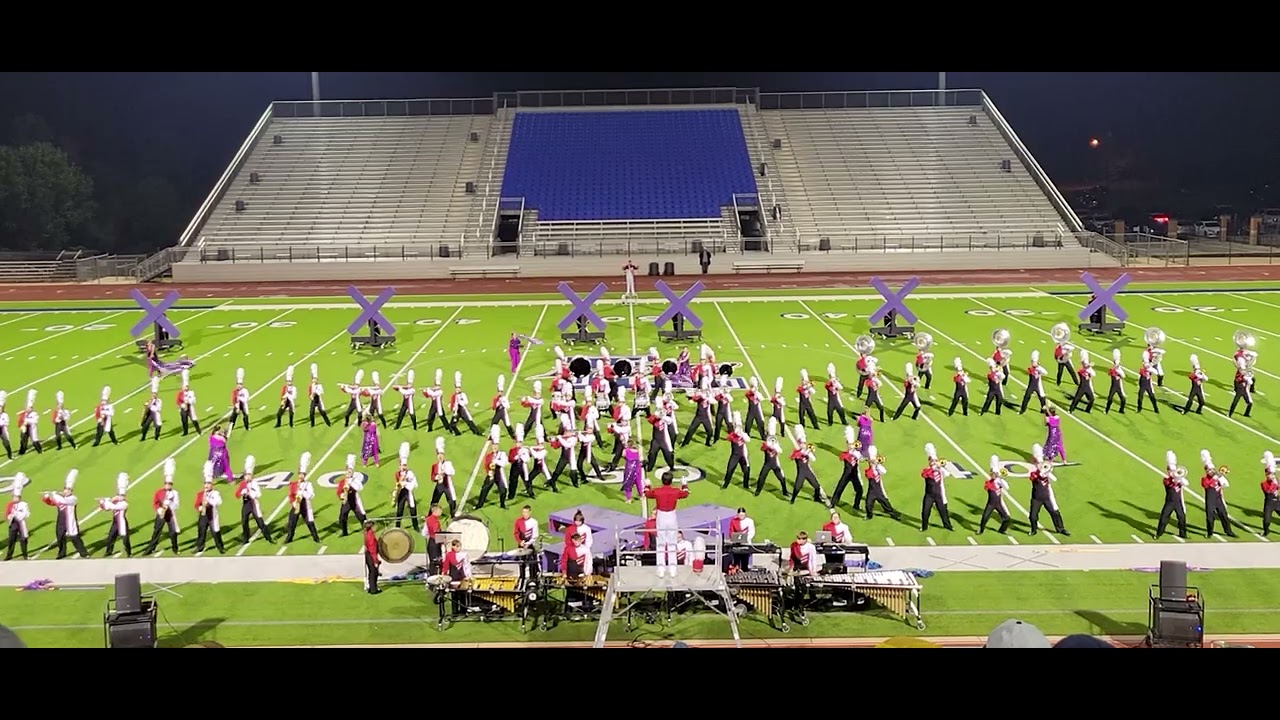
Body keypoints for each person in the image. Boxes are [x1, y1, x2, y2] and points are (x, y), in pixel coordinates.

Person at [644, 470, 690, 578]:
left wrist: (648, 485)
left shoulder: (658, 491)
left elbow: (647, 493)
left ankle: (661, 569)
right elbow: (685, 493)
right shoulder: (675, 491)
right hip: (671, 516)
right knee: (672, 543)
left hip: (661, 517)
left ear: (662, 481)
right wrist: (684, 484)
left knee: (660, 543)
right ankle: (673, 569)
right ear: (671, 481)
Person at [146, 462, 181, 555]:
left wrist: (169, 504)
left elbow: (177, 505)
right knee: (157, 531)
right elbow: (155, 502)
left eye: (169, 484)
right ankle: (151, 548)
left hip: (170, 515)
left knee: (173, 533)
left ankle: (175, 548)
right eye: (166, 483)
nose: (168, 485)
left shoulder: (175, 493)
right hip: (161, 514)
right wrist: (159, 510)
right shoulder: (159, 492)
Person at [1261, 451, 1279, 537]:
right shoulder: (1263, 483)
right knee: (1266, 519)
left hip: (1277, 501)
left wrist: (1276, 481)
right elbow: (1269, 491)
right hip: (1269, 502)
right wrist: (1274, 483)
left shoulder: (1276, 481)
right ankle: (1266, 531)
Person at [363, 521, 381, 595]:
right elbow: (372, 549)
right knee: (373, 572)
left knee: (372, 572)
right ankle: (373, 590)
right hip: (371, 555)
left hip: (367, 555)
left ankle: (371, 588)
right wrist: (375, 561)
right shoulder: (371, 535)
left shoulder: (367, 533)